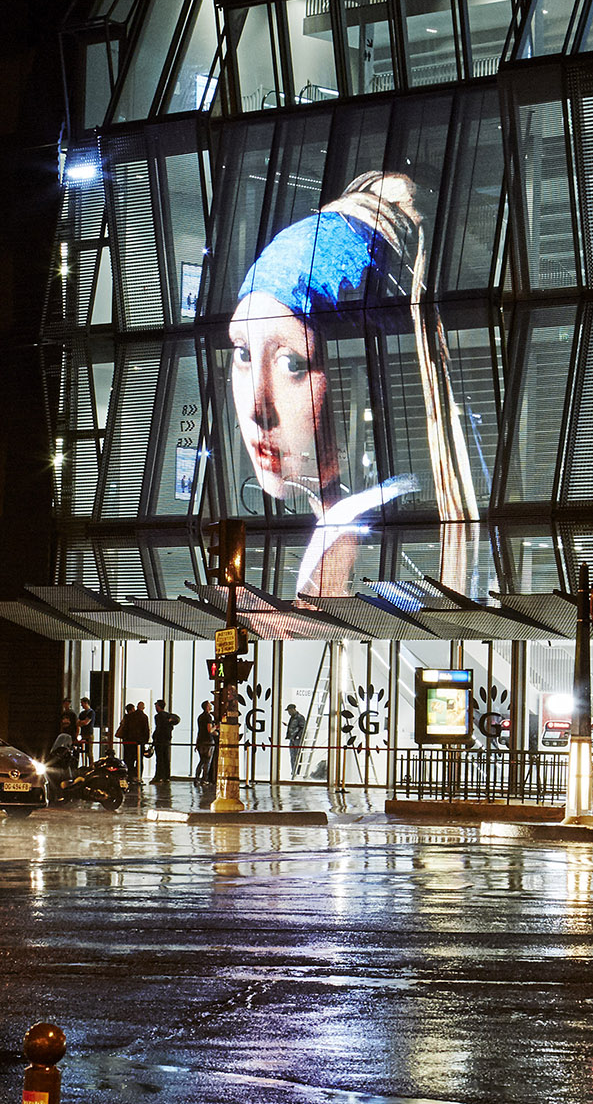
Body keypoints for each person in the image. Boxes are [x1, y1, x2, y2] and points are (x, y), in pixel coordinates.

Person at [229, 171, 480, 596]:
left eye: (291, 362)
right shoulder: (354, 523)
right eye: (243, 353)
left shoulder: (364, 536)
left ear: (363, 375)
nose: (256, 406)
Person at [152, 700, 180, 784]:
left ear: (159, 706)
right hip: (167, 740)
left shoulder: (158, 717)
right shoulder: (168, 716)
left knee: (159, 759)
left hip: (159, 740)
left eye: (156, 706)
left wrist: (154, 738)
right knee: (166, 758)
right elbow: (177, 719)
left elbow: (158, 728)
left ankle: (159, 776)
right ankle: (166, 776)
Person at [194, 699, 216, 789]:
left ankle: (196, 778)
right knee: (207, 761)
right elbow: (209, 730)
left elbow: (200, 730)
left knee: (201, 761)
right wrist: (217, 726)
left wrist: (196, 743)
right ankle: (204, 779)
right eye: (210, 705)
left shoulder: (200, 717)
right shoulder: (208, 717)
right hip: (208, 741)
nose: (211, 706)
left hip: (200, 741)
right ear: (207, 707)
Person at [285, 702, 307, 776]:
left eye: (289, 710)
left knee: (297, 756)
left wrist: (298, 736)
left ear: (293, 709)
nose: (289, 712)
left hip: (297, 739)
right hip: (292, 739)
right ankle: (294, 770)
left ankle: (297, 771)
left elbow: (303, 728)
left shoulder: (300, 717)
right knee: (292, 756)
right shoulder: (292, 718)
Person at [76, 696, 95, 765]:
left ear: (86, 703)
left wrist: (81, 722)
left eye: (82, 703)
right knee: (83, 751)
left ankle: (90, 765)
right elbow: (78, 723)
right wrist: (82, 722)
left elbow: (85, 722)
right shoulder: (82, 713)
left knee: (89, 752)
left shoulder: (91, 712)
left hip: (89, 734)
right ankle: (84, 764)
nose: (81, 705)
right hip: (83, 734)